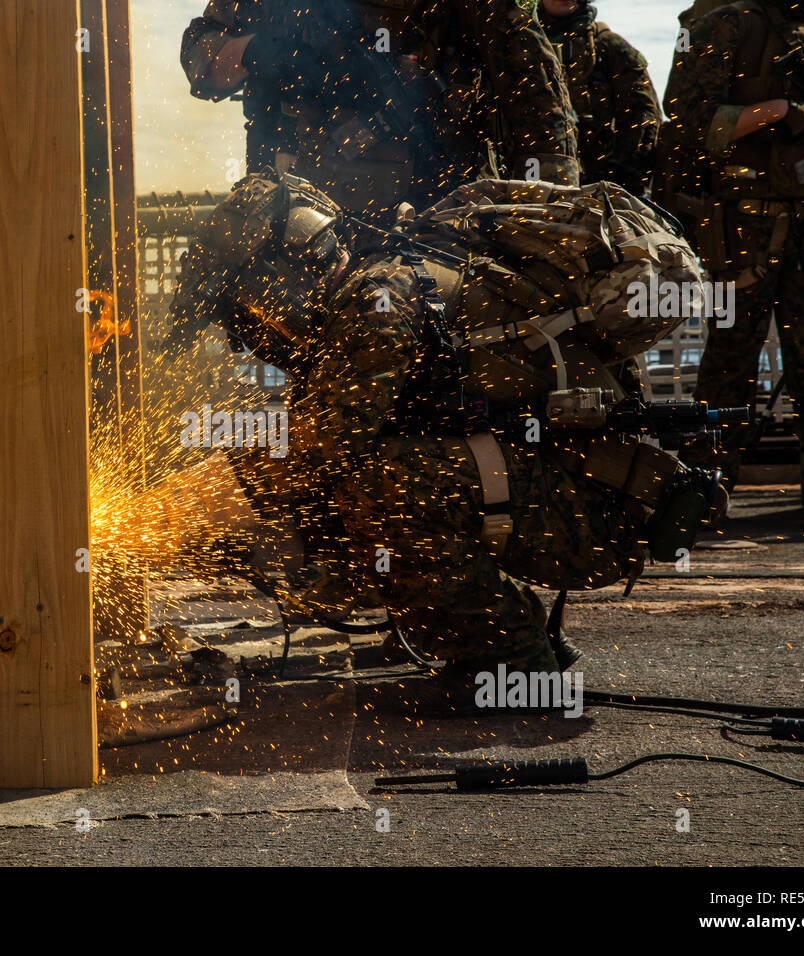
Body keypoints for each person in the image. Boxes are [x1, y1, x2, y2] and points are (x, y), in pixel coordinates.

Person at [136, 171, 730, 699]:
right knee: (326, 495)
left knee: (377, 483)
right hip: (558, 491)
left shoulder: (378, 302)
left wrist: (158, 521)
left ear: (282, 270)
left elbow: (319, 446)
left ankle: (514, 660)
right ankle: (495, 634)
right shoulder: (386, 275)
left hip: (599, 515)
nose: (251, 329)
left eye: (245, 306)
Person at [657, 0, 804, 531]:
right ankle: (705, 486)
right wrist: (774, 111)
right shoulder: (727, 24)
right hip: (739, 229)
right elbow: (684, 121)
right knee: (728, 363)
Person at [179, 0, 581, 220]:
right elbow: (201, 62)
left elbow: (534, 92)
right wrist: (262, 50)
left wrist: (548, 210)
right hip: (307, 210)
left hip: (438, 211)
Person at [538, 0, 661, 193]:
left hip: (600, 183)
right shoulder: (520, 44)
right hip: (533, 178)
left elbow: (644, 120)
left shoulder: (609, 47)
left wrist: (616, 176)